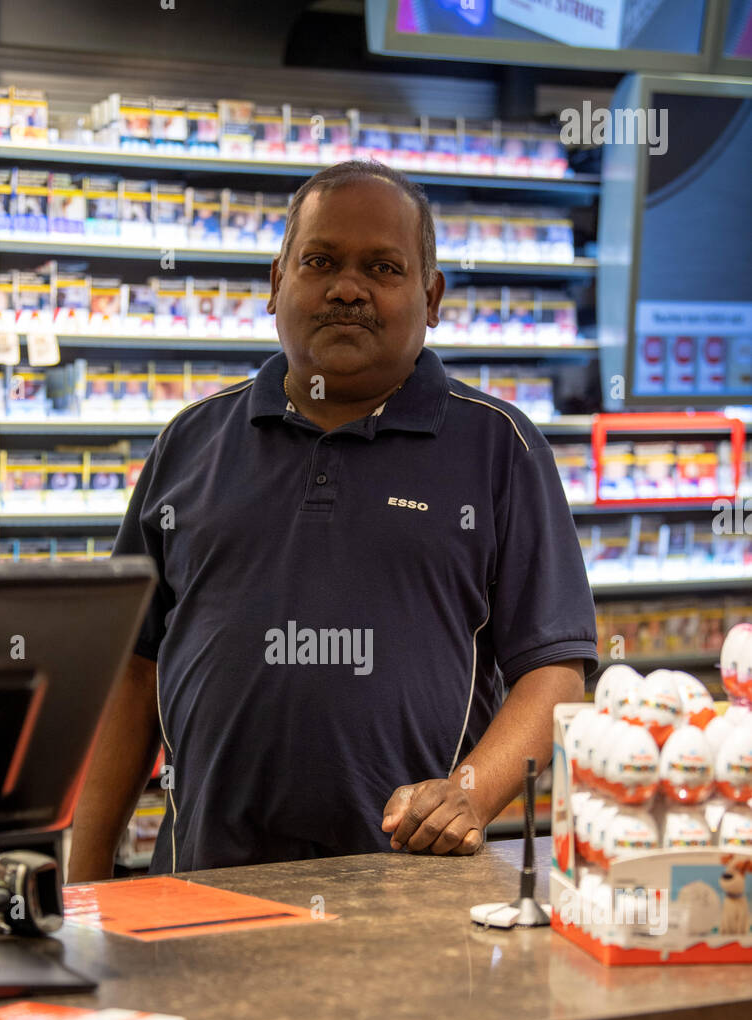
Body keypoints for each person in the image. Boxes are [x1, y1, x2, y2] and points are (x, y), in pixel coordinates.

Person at [68, 161, 596, 881]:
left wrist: (468, 796)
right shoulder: (189, 442)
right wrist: (87, 864)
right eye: (321, 262)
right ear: (276, 282)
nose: (348, 288)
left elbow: (554, 667)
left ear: (431, 296)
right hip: (202, 883)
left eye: (383, 267)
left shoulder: (500, 445)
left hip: (414, 884)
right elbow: (132, 669)